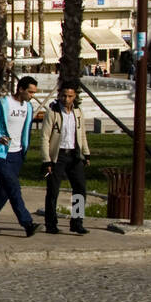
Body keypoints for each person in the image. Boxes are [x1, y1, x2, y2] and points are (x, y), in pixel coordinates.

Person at [0, 76, 43, 237]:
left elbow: (25, 131)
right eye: (30, 92)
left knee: (3, 189)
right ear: (21, 89)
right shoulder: (5, 103)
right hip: (1, 153)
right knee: (14, 188)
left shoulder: (28, 107)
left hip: (17, 153)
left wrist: (24, 148)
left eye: (34, 92)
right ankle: (27, 223)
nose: (32, 95)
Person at [42, 86, 90, 235]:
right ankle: (51, 223)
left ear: (75, 96)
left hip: (74, 155)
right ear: (59, 95)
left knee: (80, 189)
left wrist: (86, 154)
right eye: (63, 96)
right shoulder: (52, 112)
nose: (66, 99)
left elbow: (82, 134)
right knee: (53, 191)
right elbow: (44, 137)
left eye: (70, 96)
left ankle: (77, 221)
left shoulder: (78, 112)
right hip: (58, 156)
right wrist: (47, 160)